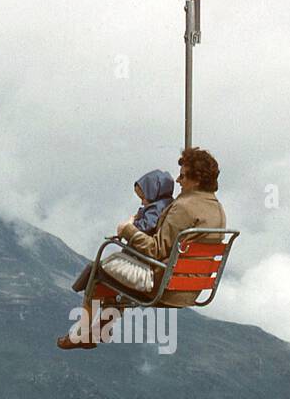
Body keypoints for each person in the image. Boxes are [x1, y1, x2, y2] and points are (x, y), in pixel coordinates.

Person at [58, 147, 226, 350]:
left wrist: (127, 230)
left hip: (164, 286)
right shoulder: (217, 208)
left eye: (182, 176)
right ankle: (100, 328)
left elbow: (156, 250)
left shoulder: (184, 207)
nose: (178, 181)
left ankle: (82, 333)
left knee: (99, 270)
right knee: (117, 276)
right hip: (191, 288)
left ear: (196, 180)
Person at [69, 169, 174, 293]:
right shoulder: (166, 205)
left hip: (142, 261)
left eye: (143, 197)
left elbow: (144, 227)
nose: (142, 202)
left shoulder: (156, 208)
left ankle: (79, 291)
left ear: (153, 192)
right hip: (148, 261)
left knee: (94, 269)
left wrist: (130, 225)